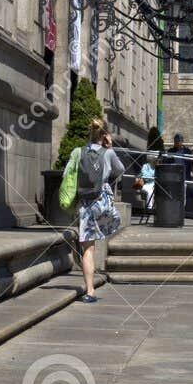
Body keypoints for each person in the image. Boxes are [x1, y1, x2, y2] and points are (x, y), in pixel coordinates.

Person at [76, 121, 124, 303]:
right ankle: (103, 231)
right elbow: (120, 170)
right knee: (109, 224)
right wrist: (110, 147)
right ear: (105, 135)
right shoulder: (109, 152)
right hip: (102, 201)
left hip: (86, 201)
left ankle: (90, 291)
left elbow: (68, 176)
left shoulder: (77, 152)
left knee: (87, 248)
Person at [170, 132, 193, 217]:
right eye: (175, 141)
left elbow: (192, 164)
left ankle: (181, 211)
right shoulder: (171, 151)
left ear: (182, 142)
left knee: (183, 195)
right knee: (173, 194)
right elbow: (166, 162)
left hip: (184, 176)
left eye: (178, 141)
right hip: (173, 177)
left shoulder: (187, 151)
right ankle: (173, 210)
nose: (176, 143)